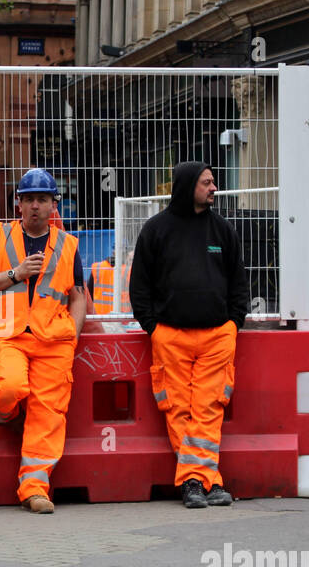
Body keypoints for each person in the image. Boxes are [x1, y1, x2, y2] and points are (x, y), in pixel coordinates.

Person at [0, 168, 87, 514]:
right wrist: (14, 274)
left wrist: (74, 334)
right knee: (7, 387)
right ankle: (7, 411)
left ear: (54, 205)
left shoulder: (68, 244)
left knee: (48, 415)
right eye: (29, 199)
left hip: (55, 342)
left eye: (43, 200)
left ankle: (35, 488)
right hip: (9, 336)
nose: (36, 206)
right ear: (18, 203)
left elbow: (78, 294)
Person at [130, 161, 249, 509]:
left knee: (208, 408)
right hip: (170, 337)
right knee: (179, 409)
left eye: (214, 182)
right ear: (187, 186)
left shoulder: (223, 231)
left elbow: (238, 282)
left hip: (217, 337)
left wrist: (233, 324)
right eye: (207, 182)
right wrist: (153, 328)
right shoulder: (156, 230)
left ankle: (199, 482)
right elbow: (140, 286)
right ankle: (201, 482)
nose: (214, 188)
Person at [87, 250, 132, 315]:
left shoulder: (98, 267)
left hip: (99, 317)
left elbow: (89, 294)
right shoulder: (129, 270)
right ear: (126, 256)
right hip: (123, 318)